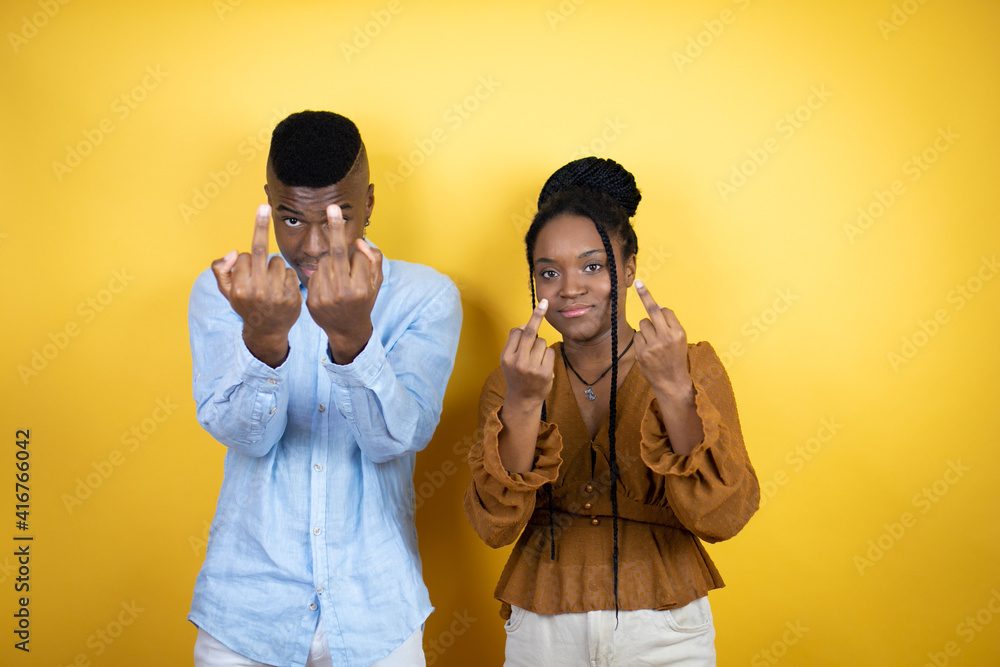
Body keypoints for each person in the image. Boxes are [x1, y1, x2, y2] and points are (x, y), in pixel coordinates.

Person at [188, 110, 462, 667]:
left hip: (377, 613)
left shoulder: (425, 297)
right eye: (290, 219)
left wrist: (352, 337)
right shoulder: (226, 292)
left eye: (338, 217)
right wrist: (264, 342)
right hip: (246, 614)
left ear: (370, 203)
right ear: (268, 197)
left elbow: (394, 441)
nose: (312, 245)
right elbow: (246, 438)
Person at [463, 157, 759, 665]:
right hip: (543, 626)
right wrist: (524, 401)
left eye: (593, 265)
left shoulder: (692, 365)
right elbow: (495, 527)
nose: (570, 288)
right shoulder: (515, 376)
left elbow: (722, 515)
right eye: (549, 272)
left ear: (628, 269)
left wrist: (672, 387)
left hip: (666, 626)